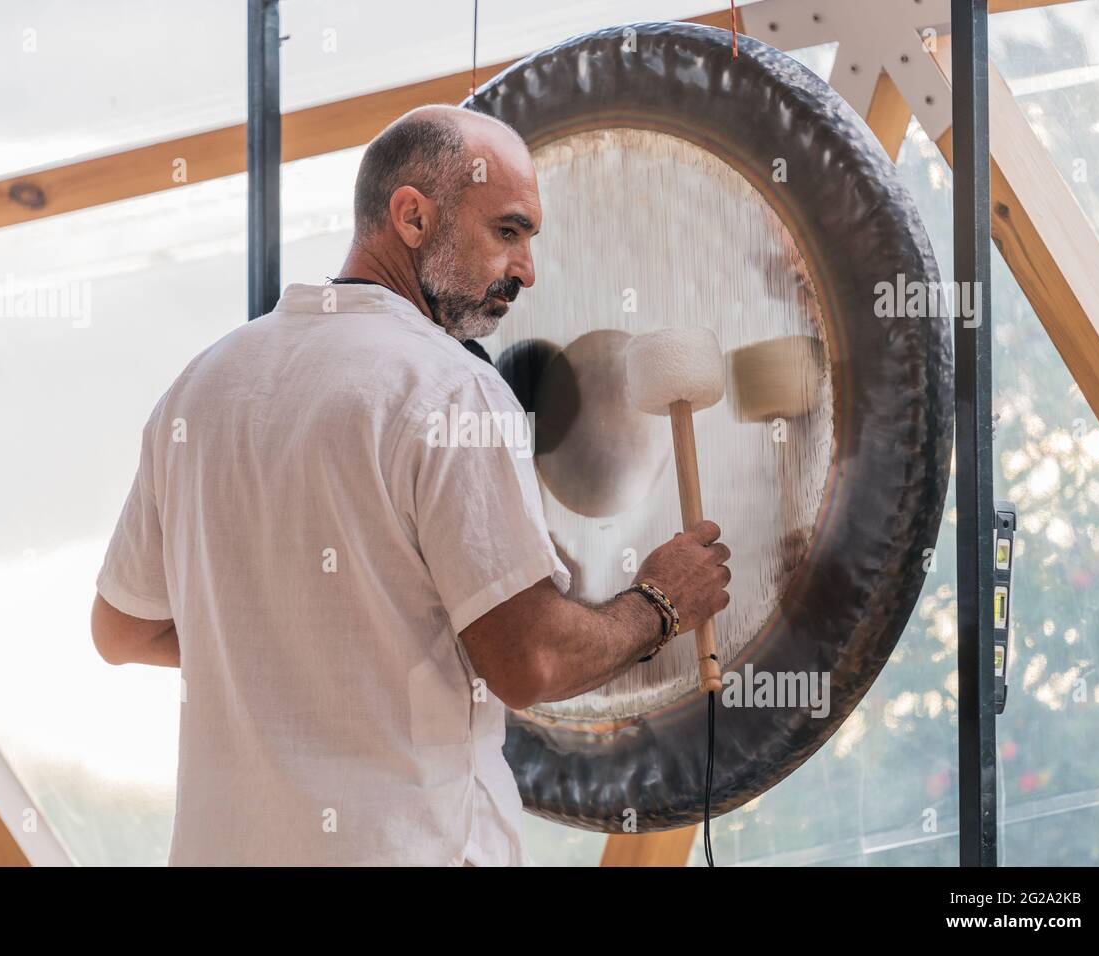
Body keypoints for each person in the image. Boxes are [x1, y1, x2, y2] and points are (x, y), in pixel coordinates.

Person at [90, 104, 731, 866]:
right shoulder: (451, 387)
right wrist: (659, 604)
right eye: (508, 232)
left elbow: (121, 630)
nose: (526, 269)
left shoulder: (200, 388)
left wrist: (298, 644)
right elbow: (531, 662)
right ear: (413, 216)